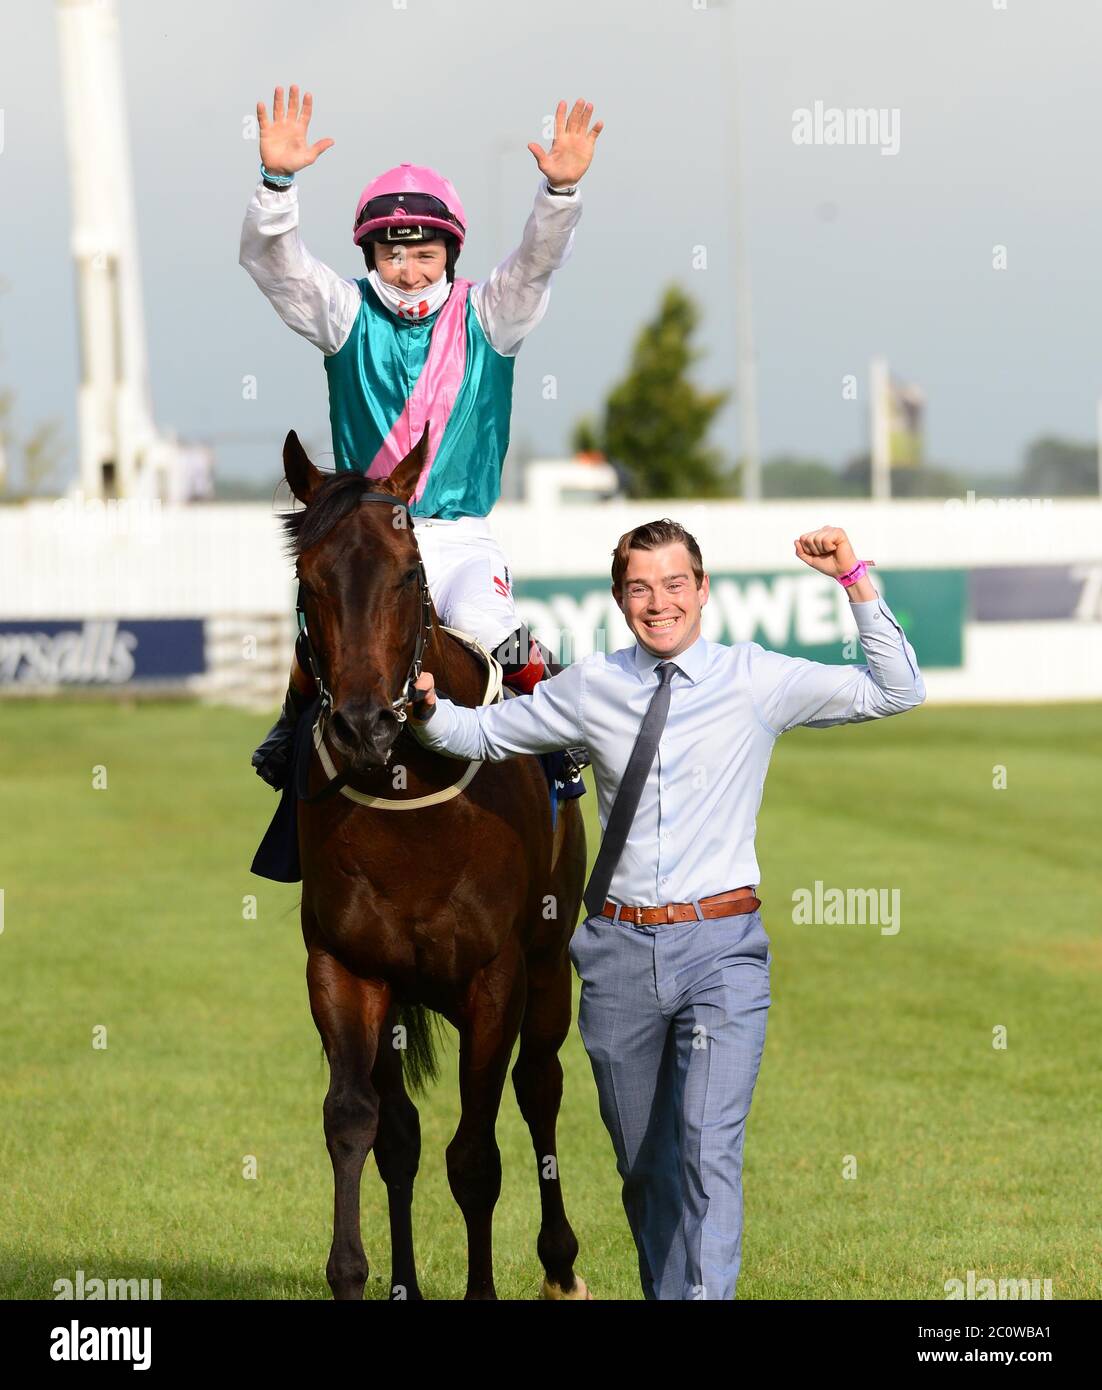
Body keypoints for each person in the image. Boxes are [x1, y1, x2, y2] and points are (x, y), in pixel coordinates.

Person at [405, 519, 926, 1300]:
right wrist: (424, 710)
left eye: (675, 584)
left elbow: (897, 688)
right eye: (641, 588)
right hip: (616, 957)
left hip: (722, 951)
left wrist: (854, 580)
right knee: (645, 1168)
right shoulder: (589, 688)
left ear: (703, 589)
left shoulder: (757, 678)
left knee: (706, 1149)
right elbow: (483, 734)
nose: (660, 603)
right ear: (619, 599)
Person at [238, 84, 603, 790]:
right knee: (332, 625)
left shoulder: (492, 313)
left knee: (489, 623)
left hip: (461, 535)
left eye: (424, 254)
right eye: (391, 255)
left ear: (450, 252)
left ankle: (562, 723)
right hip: (371, 529)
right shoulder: (344, 311)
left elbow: (534, 262)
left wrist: (558, 196)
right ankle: (291, 727)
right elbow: (273, 266)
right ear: (371, 256)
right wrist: (276, 185)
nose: (407, 271)